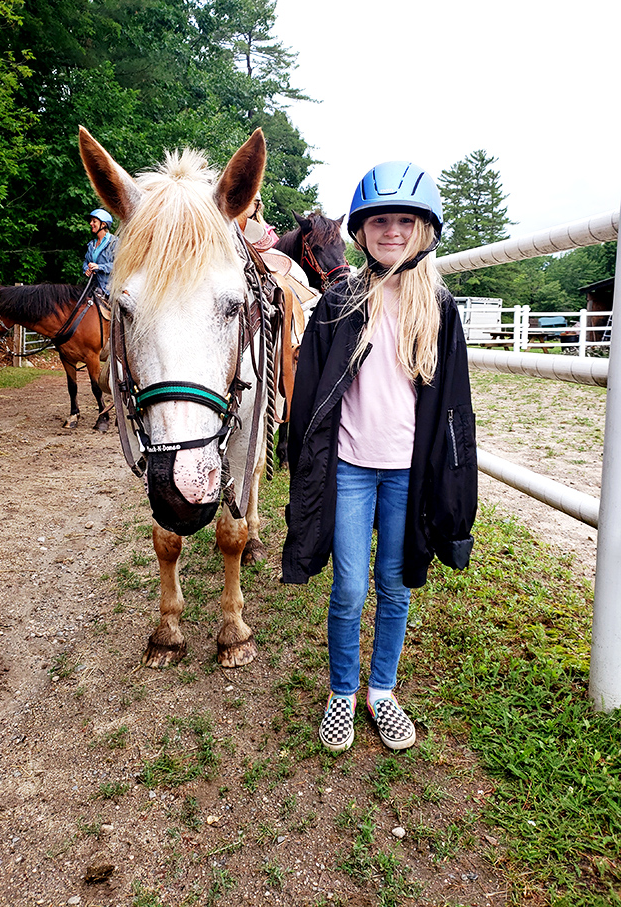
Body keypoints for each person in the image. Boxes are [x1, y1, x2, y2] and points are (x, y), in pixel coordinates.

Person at [281, 161, 477, 753]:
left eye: (404, 221)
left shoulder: (438, 309)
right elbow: (311, 389)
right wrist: (302, 461)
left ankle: (382, 690)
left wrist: (455, 485)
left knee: (395, 584)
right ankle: (343, 690)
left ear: (424, 230)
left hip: (406, 473)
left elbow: (454, 408)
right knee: (348, 588)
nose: (392, 231)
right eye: (380, 221)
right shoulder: (339, 301)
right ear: (362, 232)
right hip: (350, 465)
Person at [83, 208, 117, 297]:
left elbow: (119, 266)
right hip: (93, 288)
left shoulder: (115, 242)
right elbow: (86, 261)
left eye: (94, 221)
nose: (91, 224)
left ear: (103, 225)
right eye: (91, 221)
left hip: (109, 291)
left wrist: (99, 267)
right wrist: (86, 269)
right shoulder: (92, 244)